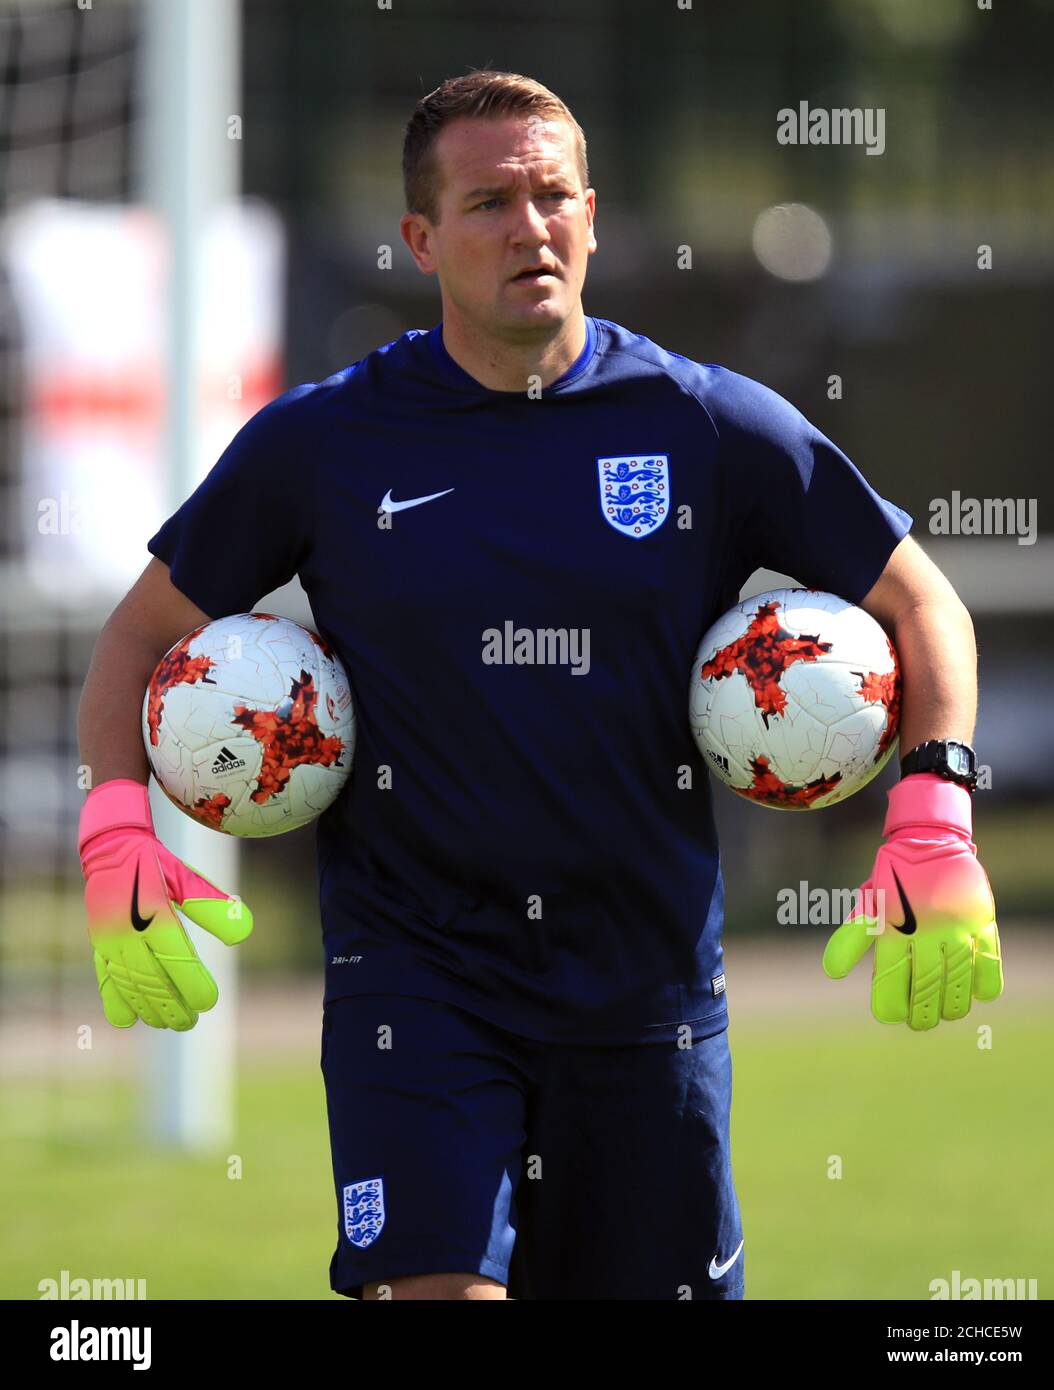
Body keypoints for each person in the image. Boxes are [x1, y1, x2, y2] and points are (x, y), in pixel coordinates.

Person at [76, 69, 1002, 1302]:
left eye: (553, 194)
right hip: (417, 981)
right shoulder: (327, 440)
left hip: (646, 992)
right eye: (490, 201)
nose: (530, 226)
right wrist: (112, 827)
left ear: (594, 214)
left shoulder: (702, 422)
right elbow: (135, 640)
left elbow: (920, 601)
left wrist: (934, 813)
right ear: (420, 237)